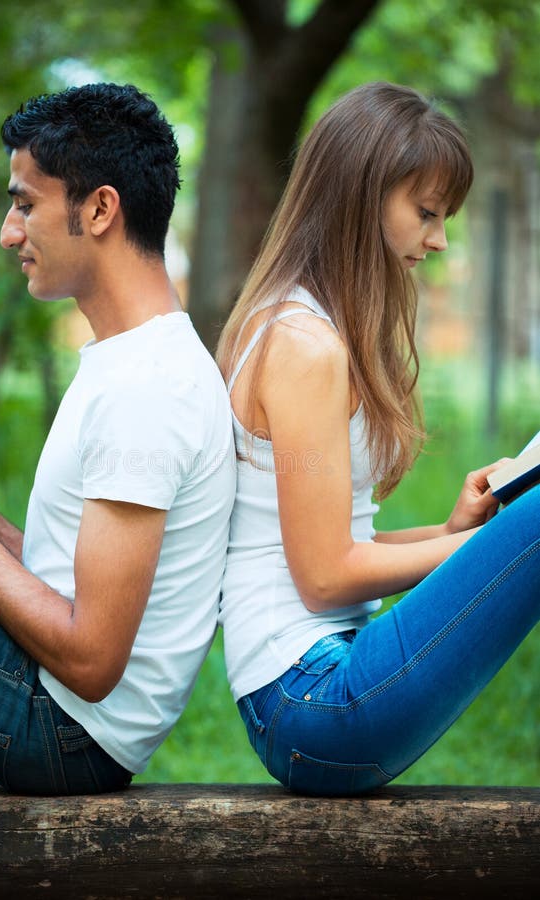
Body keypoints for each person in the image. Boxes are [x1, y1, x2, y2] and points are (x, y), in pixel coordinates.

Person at [0, 83, 235, 794]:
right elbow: (66, 581)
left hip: (61, 732)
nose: (9, 233)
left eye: (25, 204)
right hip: (62, 713)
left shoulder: (148, 390)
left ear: (99, 209)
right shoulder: (135, 360)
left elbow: (92, 663)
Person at [216, 80, 540, 796]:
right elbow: (324, 576)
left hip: (320, 687)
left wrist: (452, 534)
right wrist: (492, 546)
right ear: (360, 195)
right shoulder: (302, 344)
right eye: (426, 213)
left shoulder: (307, 327)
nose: (439, 240)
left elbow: (334, 542)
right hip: (309, 701)